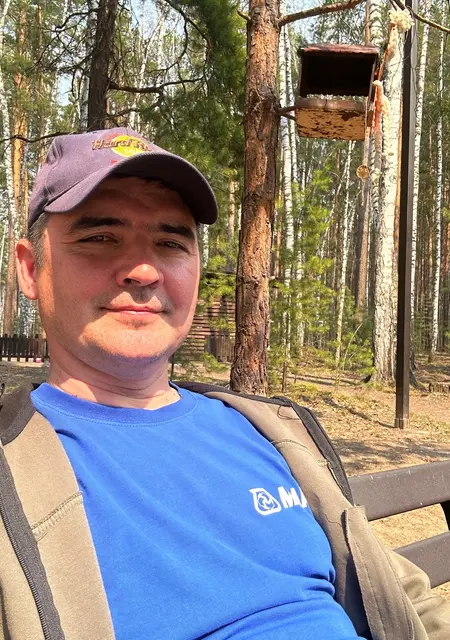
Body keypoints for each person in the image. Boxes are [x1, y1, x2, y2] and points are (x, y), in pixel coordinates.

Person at [0, 127, 448, 640]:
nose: (143, 270)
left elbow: (395, 589)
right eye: (100, 238)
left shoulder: (272, 432)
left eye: (170, 243)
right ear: (29, 269)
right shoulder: (13, 471)